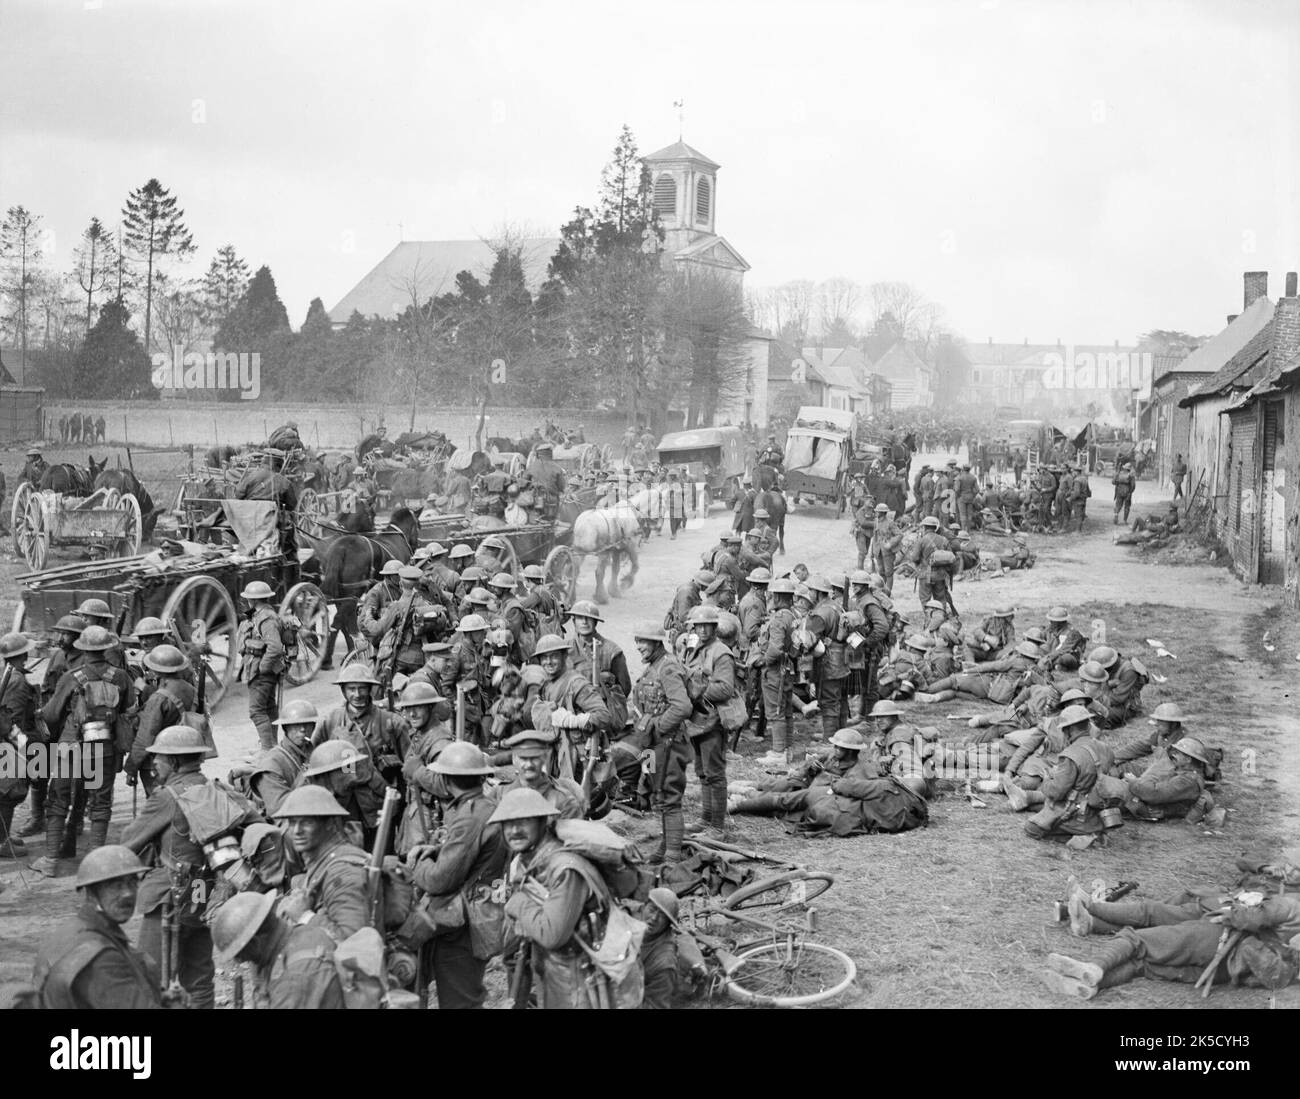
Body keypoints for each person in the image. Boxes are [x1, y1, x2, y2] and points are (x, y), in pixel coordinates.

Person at [120, 725, 228, 1009]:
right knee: (200, 975)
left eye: (160, 757)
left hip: (168, 896)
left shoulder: (166, 796)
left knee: (152, 978)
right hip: (201, 891)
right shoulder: (215, 789)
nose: (154, 762)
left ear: (176, 761)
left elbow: (128, 841)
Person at [494, 788, 630, 1009]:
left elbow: (552, 934)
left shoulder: (565, 868)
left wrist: (518, 903)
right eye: (508, 823)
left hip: (578, 974)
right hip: (554, 967)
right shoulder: (530, 859)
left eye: (524, 821)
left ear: (542, 823)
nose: (515, 830)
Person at [1043, 891, 1300, 1001]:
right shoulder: (1292, 966)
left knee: (1136, 939)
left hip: (1218, 940)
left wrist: (1236, 910)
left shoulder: (1293, 906)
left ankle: (1094, 967)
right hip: (1222, 973)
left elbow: (1250, 919)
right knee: (1142, 966)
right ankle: (1087, 986)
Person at [404, 741, 506, 1009]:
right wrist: (438, 850)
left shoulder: (470, 816)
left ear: (447, 780)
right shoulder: (483, 806)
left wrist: (420, 865)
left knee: (460, 1000)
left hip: (465, 924)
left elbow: (439, 880)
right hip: (474, 913)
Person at [33, 625, 136, 875]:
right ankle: (96, 865)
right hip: (103, 750)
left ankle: (50, 861)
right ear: (105, 648)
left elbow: (52, 715)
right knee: (100, 804)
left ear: (83, 649)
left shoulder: (72, 677)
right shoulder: (122, 677)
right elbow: (130, 713)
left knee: (58, 801)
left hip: (71, 750)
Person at [28, 846, 169, 1009]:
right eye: (115, 885)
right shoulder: (100, 956)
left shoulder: (77, 928)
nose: (128, 893)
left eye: (132, 883)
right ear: (90, 892)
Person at [211, 891, 344, 1009]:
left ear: (255, 942)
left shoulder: (290, 982)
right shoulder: (304, 933)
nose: (239, 961)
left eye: (239, 953)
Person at [272, 785, 371, 944]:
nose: (296, 830)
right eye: (292, 822)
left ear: (330, 824)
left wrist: (304, 916)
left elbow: (354, 944)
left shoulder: (343, 873)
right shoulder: (322, 860)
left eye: (307, 822)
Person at [630, 623, 693, 863]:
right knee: (656, 793)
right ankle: (665, 846)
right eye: (637, 642)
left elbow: (683, 706)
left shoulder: (667, 667)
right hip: (651, 745)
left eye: (643, 642)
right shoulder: (652, 668)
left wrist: (658, 726)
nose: (639, 647)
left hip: (669, 744)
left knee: (669, 796)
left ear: (657, 643)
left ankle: (673, 854)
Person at [1021, 706, 1121, 842]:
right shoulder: (1106, 749)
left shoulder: (1070, 755)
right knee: (1038, 807)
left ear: (1069, 730)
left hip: (1076, 815)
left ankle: (1081, 837)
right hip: (1100, 813)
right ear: (1087, 726)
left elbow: (1057, 793)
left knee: (1031, 828)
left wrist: (1047, 780)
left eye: (1064, 729)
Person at [681, 605, 737, 840]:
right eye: (698, 626)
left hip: (713, 719)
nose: (702, 630)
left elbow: (725, 688)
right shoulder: (693, 648)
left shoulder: (721, 652)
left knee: (715, 773)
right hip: (697, 719)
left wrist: (696, 689)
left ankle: (717, 826)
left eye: (707, 626)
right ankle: (705, 817)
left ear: (715, 627)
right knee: (702, 771)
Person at [313, 664, 412, 788]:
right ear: (343, 690)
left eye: (362, 688)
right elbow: (314, 760)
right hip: (344, 796)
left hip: (380, 796)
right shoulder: (331, 720)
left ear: (370, 688)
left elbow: (410, 763)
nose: (357, 694)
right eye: (351, 689)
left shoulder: (392, 722)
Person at [123, 644, 195, 798]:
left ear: (156, 670)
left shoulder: (158, 698)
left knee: (160, 802)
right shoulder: (190, 689)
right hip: (186, 755)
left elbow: (145, 738)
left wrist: (131, 767)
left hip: (160, 762)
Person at [490, 725, 586, 820]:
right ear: (514, 759)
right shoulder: (499, 795)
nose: (529, 764)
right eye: (523, 758)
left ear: (544, 757)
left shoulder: (564, 801)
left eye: (534, 758)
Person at [236, 580, 285, 751]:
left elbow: (275, 646)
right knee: (269, 708)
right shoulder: (260, 615)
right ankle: (273, 746)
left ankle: (267, 749)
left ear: (254, 600)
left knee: (256, 711)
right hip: (259, 669)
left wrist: (263, 667)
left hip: (261, 671)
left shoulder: (265, 618)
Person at [639, 888, 681, 1009]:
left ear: (668, 924)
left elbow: (656, 1006)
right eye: (652, 910)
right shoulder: (631, 922)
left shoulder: (664, 962)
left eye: (662, 916)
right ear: (644, 906)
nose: (654, 918)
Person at [1040, 606, 1086, 673]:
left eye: (1053, 621)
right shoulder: (1051, 628)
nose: (1050, 622)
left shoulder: (1072, 633)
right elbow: (1041, 638)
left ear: (1060, 622)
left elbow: (1063, 649)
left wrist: (1047, 658)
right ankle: (1056, 666)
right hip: (1053, 654)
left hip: (1068, 656)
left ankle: (1056, 665)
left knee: (1064, 658)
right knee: (1042, 648)